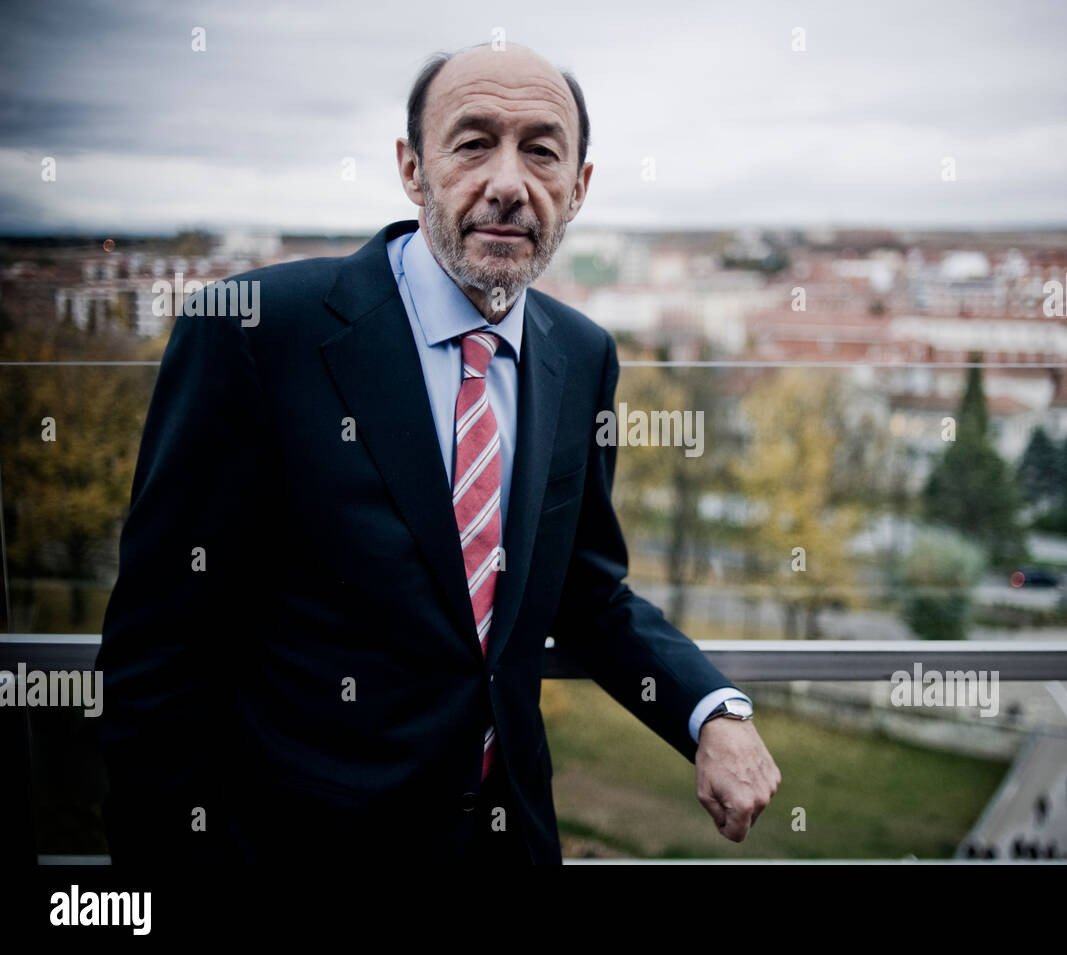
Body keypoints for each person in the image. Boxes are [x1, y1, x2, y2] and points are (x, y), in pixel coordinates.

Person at [96, 41, 781, 867]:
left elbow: (587, 594)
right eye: (472, 141)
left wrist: (711, 710)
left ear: (579, 188)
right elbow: (160, 644)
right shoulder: (256, 331)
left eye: (540, 150)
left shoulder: (582, 353)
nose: (506, 181)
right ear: (413, 170)